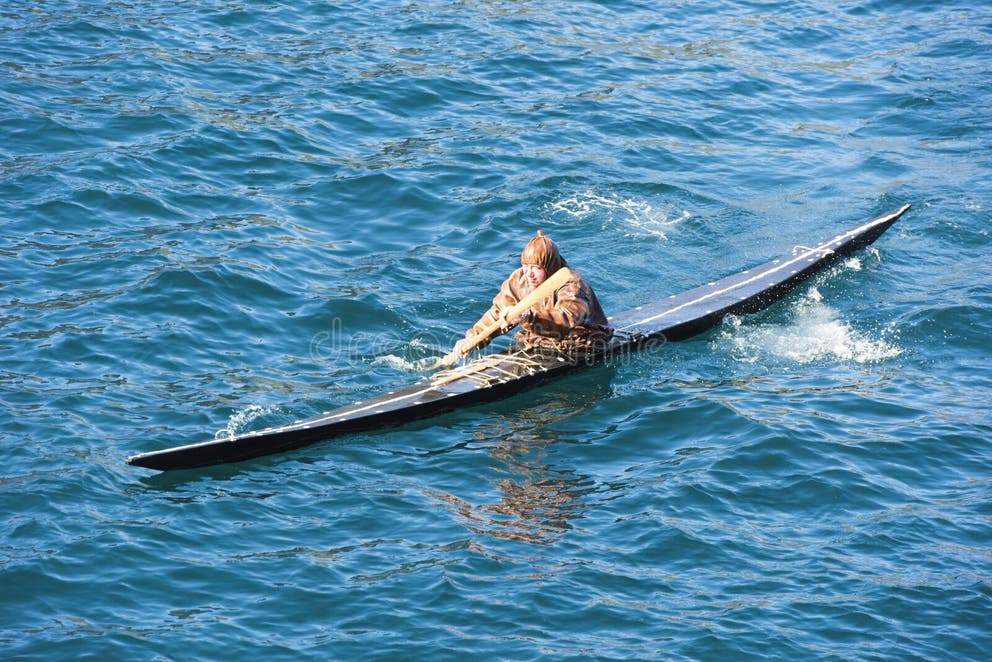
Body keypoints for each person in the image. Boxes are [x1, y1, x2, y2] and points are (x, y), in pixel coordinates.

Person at [454, 230, 611, 357]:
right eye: (525, 265)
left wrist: (526, 317)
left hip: (580, 340)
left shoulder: (572, 284)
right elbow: (497, 313)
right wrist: (473, 339)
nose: (529, 273)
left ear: (549, 268)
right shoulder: (519, 279)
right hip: (542, 340)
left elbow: (567, 318)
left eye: (536, 267)